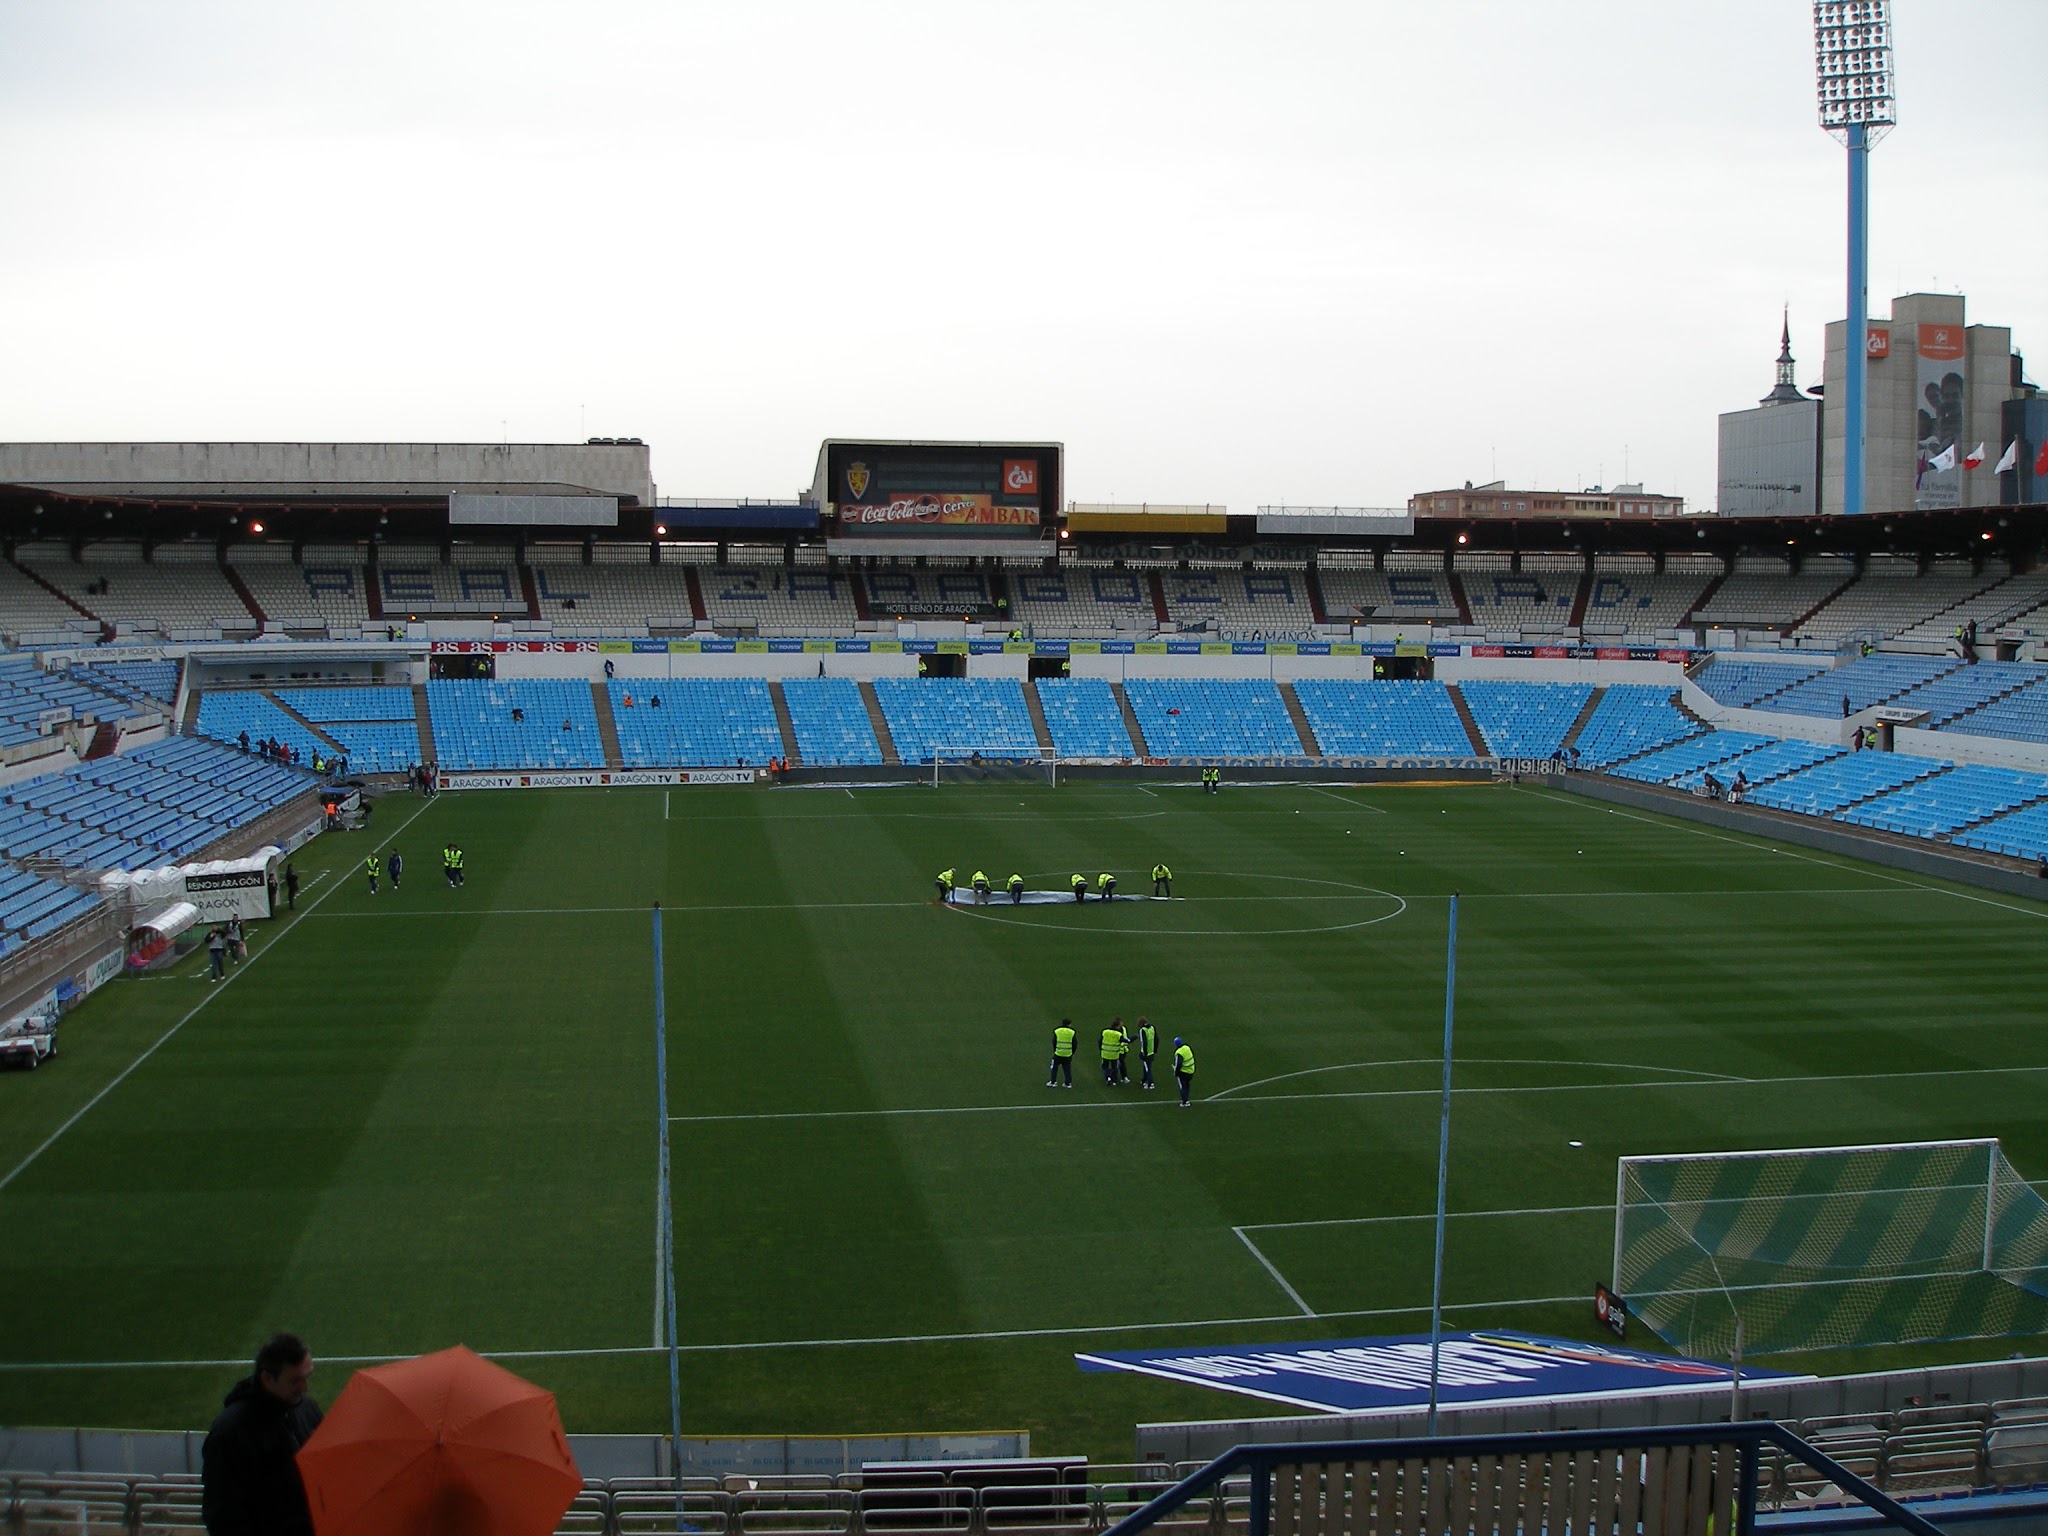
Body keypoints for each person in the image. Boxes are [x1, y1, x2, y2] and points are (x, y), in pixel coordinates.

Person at [202, 1331, 323, 1536]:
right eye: (295, 1381)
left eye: (306, 1377)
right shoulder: (229, 1432)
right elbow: (222, 1516)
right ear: (267, 1379)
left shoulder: (307, 1410)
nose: (305, 1388)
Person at [1046, 1018, 1077, 1088]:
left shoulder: (1057, 1031)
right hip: (1068, 1053)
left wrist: (1055, 1050)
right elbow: (1075, 1043)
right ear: (1069, 1024)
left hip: (1058, 1053)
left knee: (1054, 1067)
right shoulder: (1072, 1032)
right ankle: (1067, 1083)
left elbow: (1054, 1041)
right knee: (1067, 1068)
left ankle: (1053, 1082)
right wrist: (1072, 1052)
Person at [1100, 1021, 1126, 1087]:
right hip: (1114, 1054)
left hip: (1105, 1053)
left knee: (1105, 1066)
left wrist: (1101, 1049)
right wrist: (1134, 1037)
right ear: (1116, 1026)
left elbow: (1099, 1041)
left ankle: (1108, 1076)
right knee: (1114, 1067)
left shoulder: (1105, 1032)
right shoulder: (1118, 1034)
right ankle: (1114, 1081)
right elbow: (1126, 1040)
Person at [1174, 1036, 1197, 1107]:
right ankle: (1186, 1098)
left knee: (1182, 1086)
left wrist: (1176, 1072)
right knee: (1187, 1085)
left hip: (1183, 1072)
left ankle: (1185, 1101)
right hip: (1191, 1070)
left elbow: (1179, 1064)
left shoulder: (1179, 1052)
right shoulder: (1187, 1047)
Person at [1136, 1016, 1158, 1090]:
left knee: (1148, 1068)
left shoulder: (1142, 1030)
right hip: (1151, 1051)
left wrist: (1144, 1053)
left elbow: (1144, 1042)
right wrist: (1155, 1049)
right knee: (1146, 1066)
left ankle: (1150, 1083)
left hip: (1146, 1053)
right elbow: (1156, 1039)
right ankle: (1144, 1080)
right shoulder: (1152, 1028)